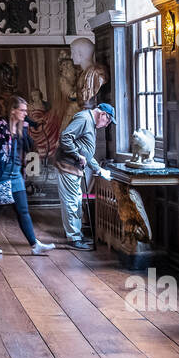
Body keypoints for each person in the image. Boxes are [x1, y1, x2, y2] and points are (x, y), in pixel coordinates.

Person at [0, 95, 54, 255]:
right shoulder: (0, 127)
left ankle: (34, 245)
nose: (26, 113)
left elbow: (26, 139)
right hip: (1, 173)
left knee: (23, 210)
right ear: (13, 111)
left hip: (16, 173)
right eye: (22, 110)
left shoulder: (22, 126)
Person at [55, 100, 115, 250]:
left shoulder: (90, 121)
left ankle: (77, 235)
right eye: (108, 120)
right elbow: (65, 137)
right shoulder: (84, 119)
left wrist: (98, 169)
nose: (107, 125)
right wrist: (76, 155)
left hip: (74, 167)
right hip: (68, 165)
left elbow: (85, 152)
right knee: (71, 202)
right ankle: (73, 238)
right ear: (102, 114)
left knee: (75, 201)